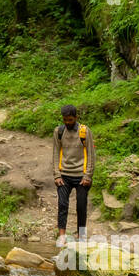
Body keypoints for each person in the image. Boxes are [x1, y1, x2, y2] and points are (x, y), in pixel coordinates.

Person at [52, 104, 95, 247]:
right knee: (62, 204)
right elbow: (55, 153)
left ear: (76, 118)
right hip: (64, 174)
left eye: (70, 120)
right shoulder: (59, 131)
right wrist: (57, 175)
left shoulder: (84, 131)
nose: (67, 123)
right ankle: (62, 236)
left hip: (81, 175)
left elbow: (91, 154)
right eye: (65, 120)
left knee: (81, 206)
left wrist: (88, 175)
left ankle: (80, 235)